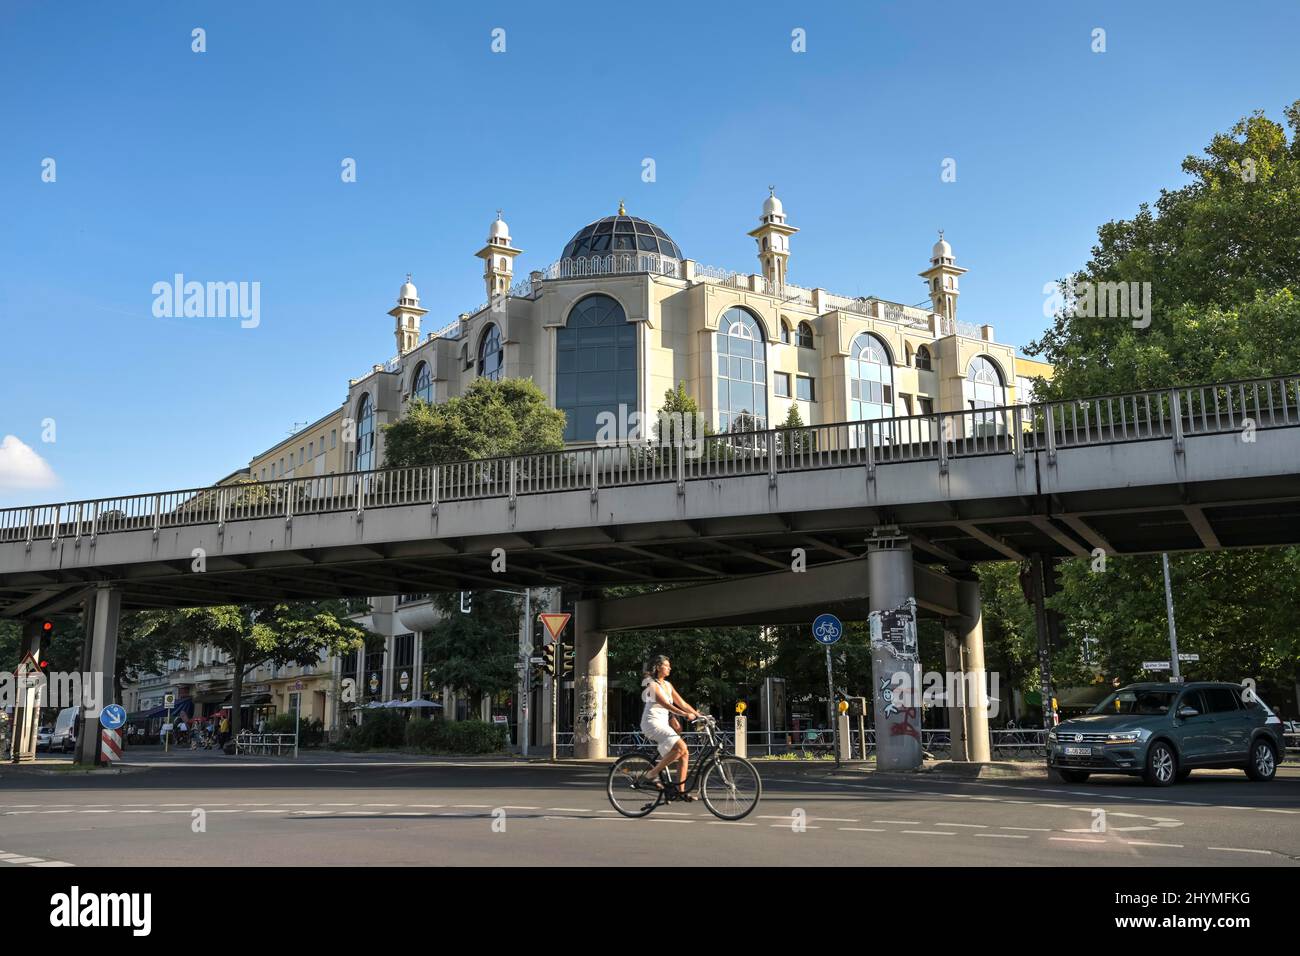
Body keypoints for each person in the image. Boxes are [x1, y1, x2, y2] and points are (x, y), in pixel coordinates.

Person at [639, 655, 699, 799]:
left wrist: (699, 715)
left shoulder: (668, 685)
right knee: (681, 747)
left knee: (684, 753)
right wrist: (684, 714)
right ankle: (652, 774)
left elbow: (682, 703)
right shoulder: (651, 685)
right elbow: (666, 705)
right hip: (651, 723)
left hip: (662, 723)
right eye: (666, 665)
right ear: (658, 667)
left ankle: (680, 792)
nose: (669, 668)